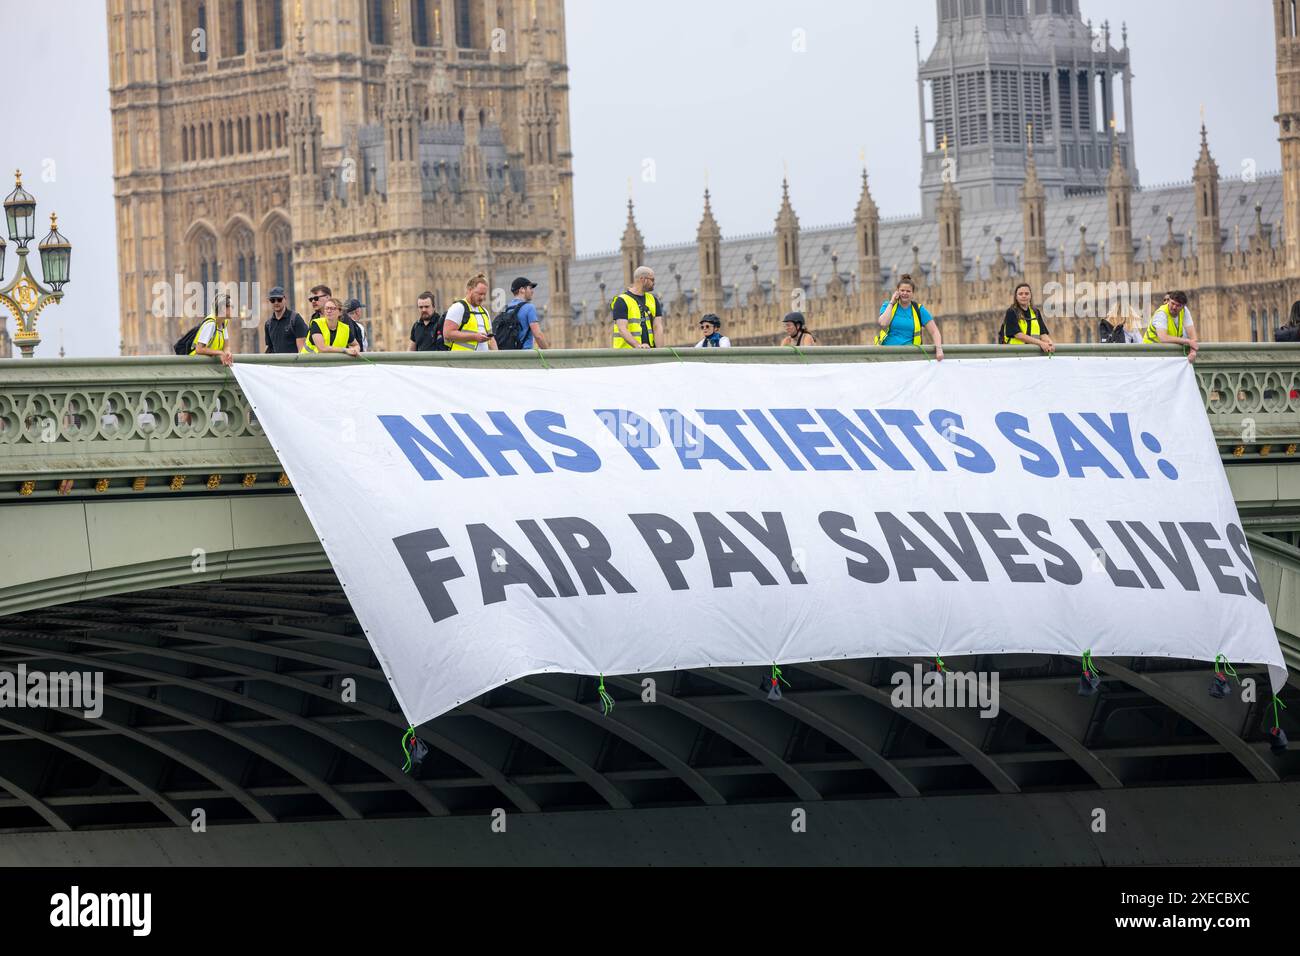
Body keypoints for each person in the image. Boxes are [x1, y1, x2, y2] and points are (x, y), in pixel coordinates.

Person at [874, 274, 943, 360]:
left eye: (908, 291)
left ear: (913, 293)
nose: (905, 293)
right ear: (897, 291)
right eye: (902, 290)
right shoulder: (887, 306)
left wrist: (939, 349)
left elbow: (934, 331)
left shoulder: (919, 310)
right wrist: (892, 302)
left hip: (910, 357)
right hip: (887, 355)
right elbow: (883, 323)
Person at [443, 274, 497, 352]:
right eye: (479, 294)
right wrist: (474, 337)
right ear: (469, 290)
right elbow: (447, 333)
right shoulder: (458, 307)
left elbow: (491, 340)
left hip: (482, 362)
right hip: (461, 361)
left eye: (484, 294)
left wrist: (498, 357)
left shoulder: (484, 312)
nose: (482, 297)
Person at [1143, 289, 1198, 362]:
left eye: (1178, 305)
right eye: (1172, 303)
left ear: (1183, 306)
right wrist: (1187, 341)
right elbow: (1163, 338)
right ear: (1169, 301)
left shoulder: (1184, 311)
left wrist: (1193, 352)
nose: (1174, 307)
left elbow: (1193, 337)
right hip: (1150, 352)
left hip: (1167, 353)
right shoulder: (1161, 313)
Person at [611, 266, 658, 349]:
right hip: (627, 354)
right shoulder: (622, 300)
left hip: (650, 350)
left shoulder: (653, 299)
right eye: (652, 280)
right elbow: (622, 328)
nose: (654, 283)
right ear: (642, 279)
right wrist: (639, 346)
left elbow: (658, 327)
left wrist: (660, 352)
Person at [1001, 282, 1054, 354]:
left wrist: (1049, 342)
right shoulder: (1011, 312)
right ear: (1016, 297)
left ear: (1030, 296)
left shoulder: (1035, 312)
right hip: (1016, 353)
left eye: (1026, 294)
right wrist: (1040, 343)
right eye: (1020, 294)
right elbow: (1018, 335)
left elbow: (1043, 333)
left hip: (1033, 353)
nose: (1024, 296)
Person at [191, 293, 234, 366]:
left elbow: (226, 345)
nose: (233, 309)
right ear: (224, 308)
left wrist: (227, 352)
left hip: (207, 365)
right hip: (195, 365)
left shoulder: (223, 322)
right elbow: (199, 349)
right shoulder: (211, 324)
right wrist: (220, 353)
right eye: (232, 307)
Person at [263, 286, 308, 354]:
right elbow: (269, 348)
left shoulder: (295, 319)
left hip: (292, 363)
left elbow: (302, 349)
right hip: (276, 364)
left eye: (279, 299)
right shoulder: (268, 324)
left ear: (285, 299)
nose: (276, 303)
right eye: (273, 300)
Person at [509, 276, 549, 350]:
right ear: (522, 290)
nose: (532, 291)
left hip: (511, 355)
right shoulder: (529, 307)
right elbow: (538, 335)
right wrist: (549, 353)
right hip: (525, 354)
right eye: (530, 288)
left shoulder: (507, 308)